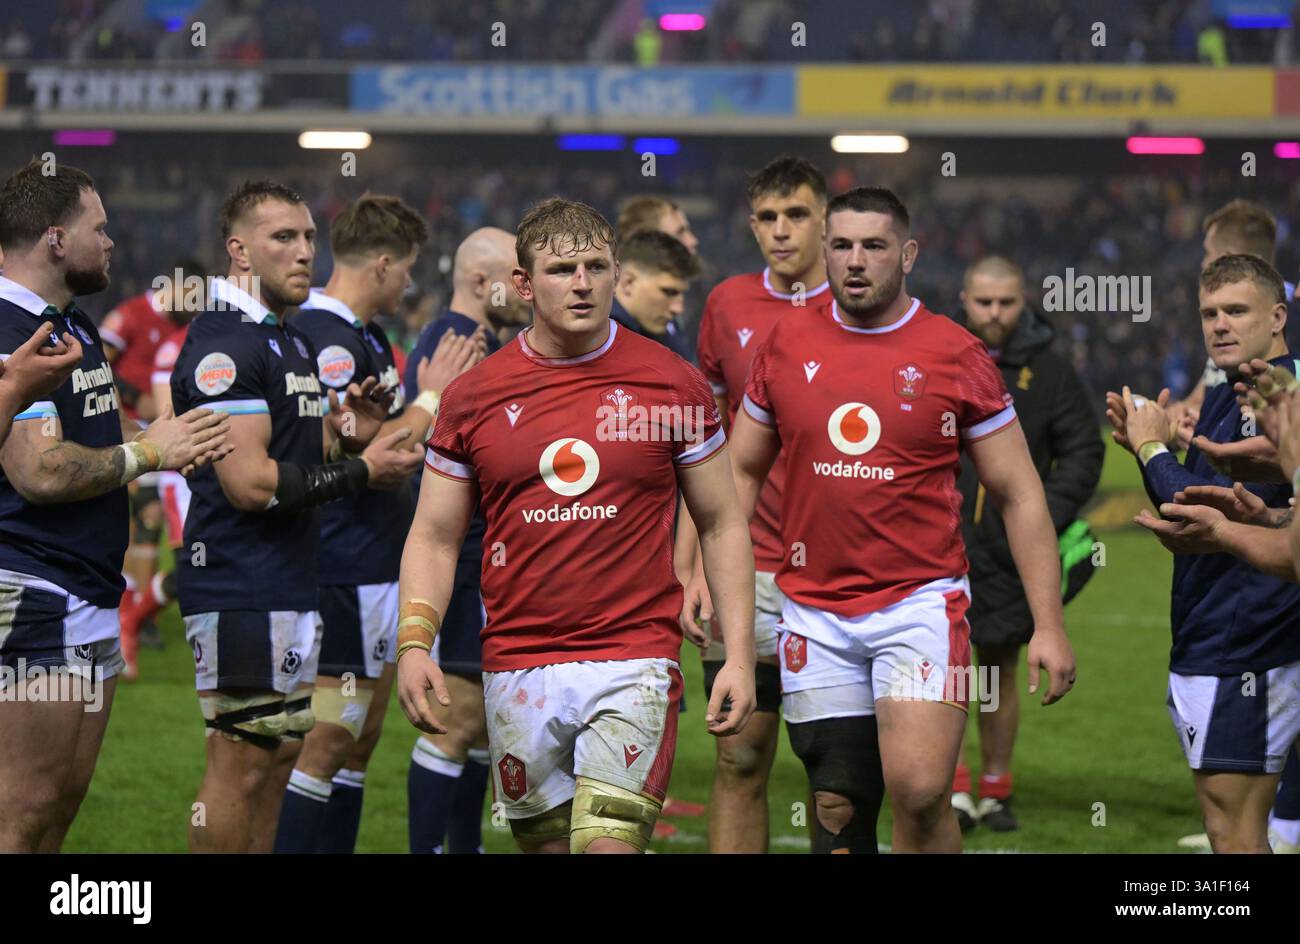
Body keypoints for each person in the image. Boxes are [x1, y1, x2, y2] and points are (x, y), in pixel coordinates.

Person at [395, 197, 757, 854]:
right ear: (525, 285)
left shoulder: (671, 385)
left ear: (618, 273)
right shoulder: (473, 396)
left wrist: (736, 654)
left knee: (610, 848)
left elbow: (723, 522)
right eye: (563, 270)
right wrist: (415, 643)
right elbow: (435, 535)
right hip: (517, 661)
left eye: (597, 266)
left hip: (633, 657)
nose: (584, 283)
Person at [727, 186, 1076, 853]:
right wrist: (703, 574)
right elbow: (740, 472)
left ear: (908, 254)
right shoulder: (785, 342)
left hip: (918, 604)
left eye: (875, 246)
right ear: (825, 251)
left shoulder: (956, 354)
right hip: (812, 612)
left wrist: (1049, 626)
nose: (856, 261)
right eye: (843, 246)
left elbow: (1020, 492)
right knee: (835, 802)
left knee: (918, 791)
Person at [172, 179, 420, 853]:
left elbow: (305, 449)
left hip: (289, 580)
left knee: (279, 759)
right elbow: (252, 484)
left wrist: (353, 430)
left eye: (309, 236)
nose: (304, 251)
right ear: (239, 251)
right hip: (239, 585)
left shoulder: (286, 339)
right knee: (240, 763)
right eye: (283, 237)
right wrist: (364, 470)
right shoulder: (225, 343)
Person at [0, 158, 230, 852]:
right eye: (99, 230)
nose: (113, 244)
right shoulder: (12, 328)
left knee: (56, 809)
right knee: (22, 811)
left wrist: (171, 438)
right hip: (34, 587)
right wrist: (150, 453)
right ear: (53, 240)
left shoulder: (70, 322)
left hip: (86, 590)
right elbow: (39, 471)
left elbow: (97, 434)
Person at [272, 195, 482, 853]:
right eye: (409, 269)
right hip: (344, 569)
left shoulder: (356, 335)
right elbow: (379, 451)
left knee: (357, 743)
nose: (411, 284)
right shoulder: (331, 340)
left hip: (372, 568)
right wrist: (431, 394)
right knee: (327, 741)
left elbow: (363, 434)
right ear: (385, 265)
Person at [682, 155, 851, 853]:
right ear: (753, 227)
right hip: (745, 565)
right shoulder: (725, 305)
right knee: (740, 756)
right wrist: (690, 565)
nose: (782, 231)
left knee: (837, 781)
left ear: (824, 221)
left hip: (841, 577)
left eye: (797, 215)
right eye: (768, 219)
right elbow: (701, 443)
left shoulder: (858, 305)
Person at [1116, 253, 1300, 852]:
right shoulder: (1232, 387)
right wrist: (1154, 449)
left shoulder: (1268, 393)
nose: (1219, 324)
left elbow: (1203, 507)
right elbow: (1188, 513)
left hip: (1244, 639)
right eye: (1209, 313)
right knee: (1235, 830)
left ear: (1277, 315)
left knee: (1234, 832)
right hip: (1222, 628)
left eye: (1236, 311)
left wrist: (1151, 450)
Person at [950, 256, 1104, 831]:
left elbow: (1085, 453)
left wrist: (1038, 518)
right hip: (936, 547)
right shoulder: (938, 356)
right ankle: (955, 789)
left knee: (998, 670)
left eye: (1006, 302)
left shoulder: (1052, 371)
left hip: (1009, 554)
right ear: (964, 297)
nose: (994, 313)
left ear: (1024, 300)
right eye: (984, 302)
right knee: (941, 669)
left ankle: (994, 789)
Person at [402, 227, 524, 856]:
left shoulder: (476, 339)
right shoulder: (462, 343)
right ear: (482, 282)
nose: (527, 286)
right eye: (516, 273)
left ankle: (464, 846)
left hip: (485, 557)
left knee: (480, 729)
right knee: (460, 721)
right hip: (469, 555)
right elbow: (424, 455)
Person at [113, 258, 209, 679]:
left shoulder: (209, 341)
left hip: (209, 464)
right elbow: (164, 410)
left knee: (202, 562)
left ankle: (137, 617)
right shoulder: (171, 344)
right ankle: (131, 619)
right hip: (167, 460)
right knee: (185, 561)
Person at [610, 230, 698, 361]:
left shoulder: (655, 331)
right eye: (668, 292)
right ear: (628, 283)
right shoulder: (599, 340)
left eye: (681, 293)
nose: (678, 308)